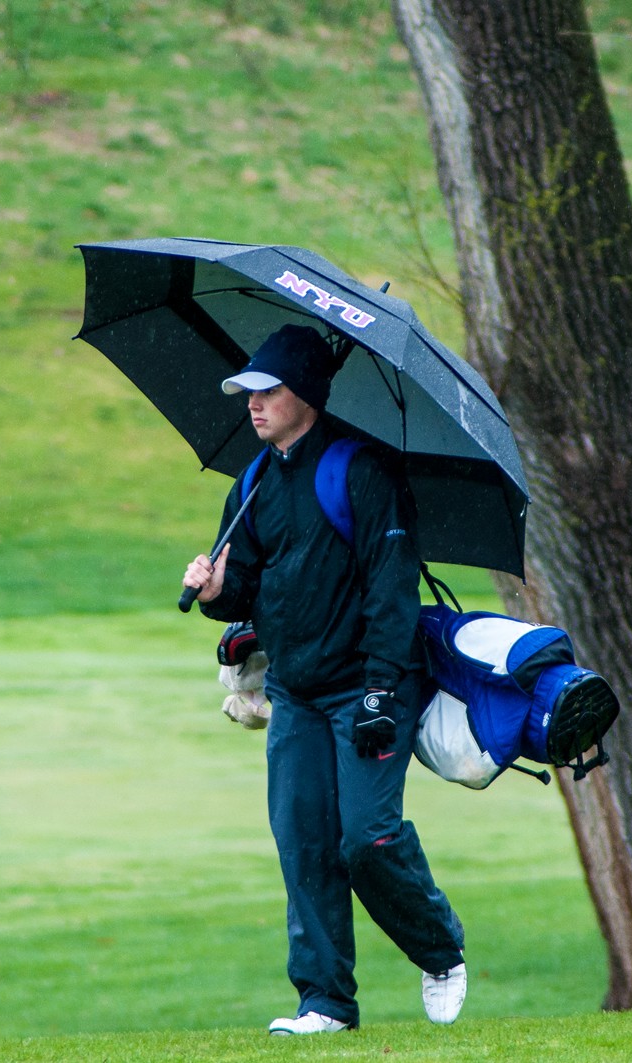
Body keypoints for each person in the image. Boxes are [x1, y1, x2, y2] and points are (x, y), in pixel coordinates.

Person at [182, 324, 467, 1036]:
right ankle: (326, 1002)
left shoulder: (361, 470)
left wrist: (379, 689)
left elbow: (392, 590)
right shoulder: (254, 481)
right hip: (297, 694)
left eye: (268, 391)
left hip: (372, 686)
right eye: (248, 392)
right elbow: (244, 586)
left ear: (305, 393)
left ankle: (439, 950)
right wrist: (216, 589)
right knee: (304, 842)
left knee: (366, 838)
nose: (253, 404)